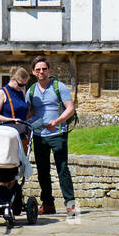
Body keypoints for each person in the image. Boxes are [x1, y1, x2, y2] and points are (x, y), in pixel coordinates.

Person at [26, 56, 77, 216]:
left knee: (63, 169)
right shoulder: (31, 91)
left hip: (58, 133)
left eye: (44, 69)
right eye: (38, 69)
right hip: (40, 135)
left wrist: (58, 120)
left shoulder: (59, 87)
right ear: (33, 72)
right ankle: (48, 204)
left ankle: (70, 206)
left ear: (49, 70)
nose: (41, 72)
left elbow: (70, 109)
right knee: (42, 171)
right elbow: (28, 113)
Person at [0, 65, 33, 176]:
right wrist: (11, 120)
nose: (22, 87)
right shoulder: (1, 93)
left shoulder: (21, 93)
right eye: (20, 84)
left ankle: (15, 191)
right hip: (6, 136)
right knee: (7, 167)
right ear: (13, 79)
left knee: (19, 166)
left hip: (21, 135)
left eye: (24, 85)